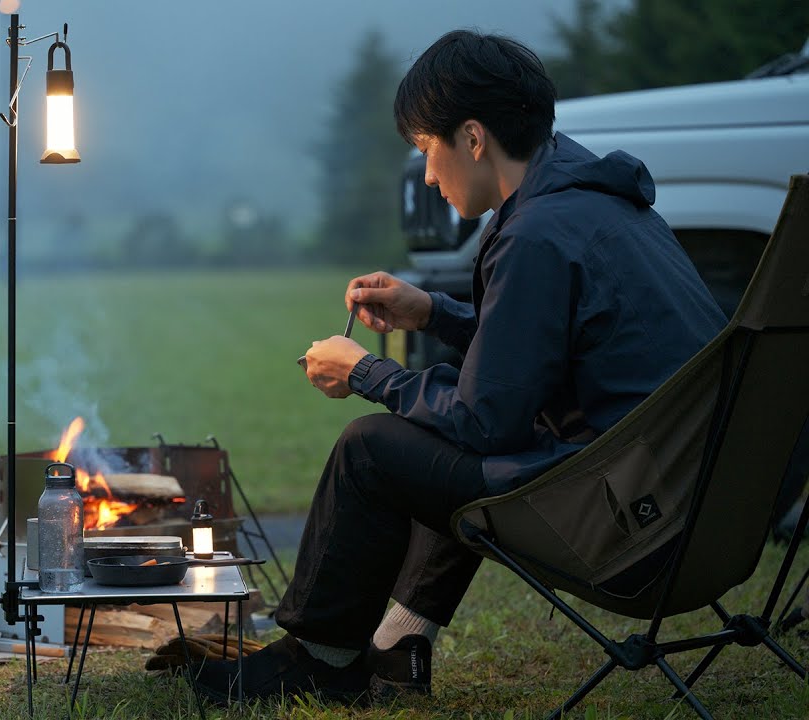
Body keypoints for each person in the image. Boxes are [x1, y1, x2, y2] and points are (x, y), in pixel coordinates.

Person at [195, 29, 727, 705]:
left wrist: (364, 372)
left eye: (426, 149)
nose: (425, 174)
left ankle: (318, 661)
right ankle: (398, 645)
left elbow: (485, 420)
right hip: (699, 510)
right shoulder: (597, 203)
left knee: (375, 448)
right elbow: (542, 348)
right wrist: (433, 312)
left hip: (628, 522)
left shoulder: (536, 233)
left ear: (472, 138)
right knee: (443, 406)